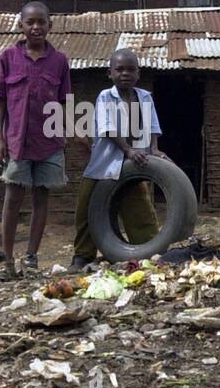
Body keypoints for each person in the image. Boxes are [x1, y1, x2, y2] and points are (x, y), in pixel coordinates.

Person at [0, 1, 71, 279]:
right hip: (17, 141)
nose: (36, 27)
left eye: (41, 22)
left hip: (49, 141)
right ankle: (7, 261)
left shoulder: (60, 61)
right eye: (30, 22)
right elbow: (0, 101)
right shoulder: (8, 58)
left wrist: (67, 134)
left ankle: (32, 259)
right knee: (13, 197)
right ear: (20, 25)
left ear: (50, 25)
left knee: (41, 199)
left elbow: (63, 102)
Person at [70, 49, 165, 273]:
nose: (125, 74)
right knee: (87, 210)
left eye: (131, 69)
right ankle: (82, 257)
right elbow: (108, 128)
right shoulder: (105, 96)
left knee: (140, 210)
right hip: (103, 165)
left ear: (138, 74)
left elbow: (152, 127)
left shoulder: (145, 97)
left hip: (134, 165)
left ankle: (149, 251)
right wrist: (128, 149)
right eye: (119, 69)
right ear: (110, 73)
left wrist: (154, 149)